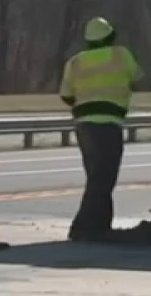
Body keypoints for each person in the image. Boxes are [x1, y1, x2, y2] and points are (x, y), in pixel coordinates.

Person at [59, 17, 141, 242]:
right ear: (110, 37)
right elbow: (137, 78)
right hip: (108, 123)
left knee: (96, 176)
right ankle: (81, 227)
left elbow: (66, 95)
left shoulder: (75, 62)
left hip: (84, 125)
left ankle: (101, 226)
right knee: (104, 178)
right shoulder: (120, 55)